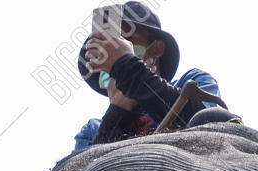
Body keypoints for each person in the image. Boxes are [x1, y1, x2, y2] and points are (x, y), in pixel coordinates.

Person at [72, 4, 233, 153]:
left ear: (157, 48)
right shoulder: (92, 131)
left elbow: (210, 128)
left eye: (126, 42)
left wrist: (130, 73)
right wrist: (119, 109)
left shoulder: (193, 82)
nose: (114, 53)